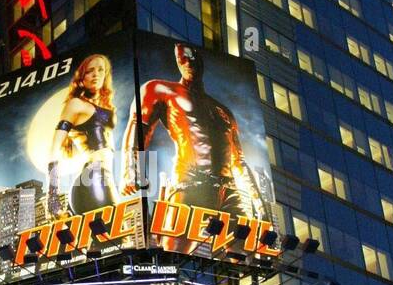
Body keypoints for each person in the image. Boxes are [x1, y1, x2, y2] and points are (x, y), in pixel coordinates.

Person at [121, 42, 272, 251]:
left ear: (201, 60)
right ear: (177, 61)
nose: (188, 60)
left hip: (230, 191)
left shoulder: (222, 110)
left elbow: (239, 161)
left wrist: (260, 207)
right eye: (183, 57)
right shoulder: (160, 89)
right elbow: (139, 128)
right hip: (191, 182)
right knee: (173, 253)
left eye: (193, 56)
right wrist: (131, 169)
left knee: (245, 256)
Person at [48, 54, 118, 217]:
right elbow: (54, 149)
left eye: (101, 70)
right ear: (81, 78)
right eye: (90, 71)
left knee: (117, 238)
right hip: (93, 178)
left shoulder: (106, 105)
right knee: (115, 235)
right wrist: (52, 198)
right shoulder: (76, 104)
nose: (96, 74)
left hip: (104, 177)